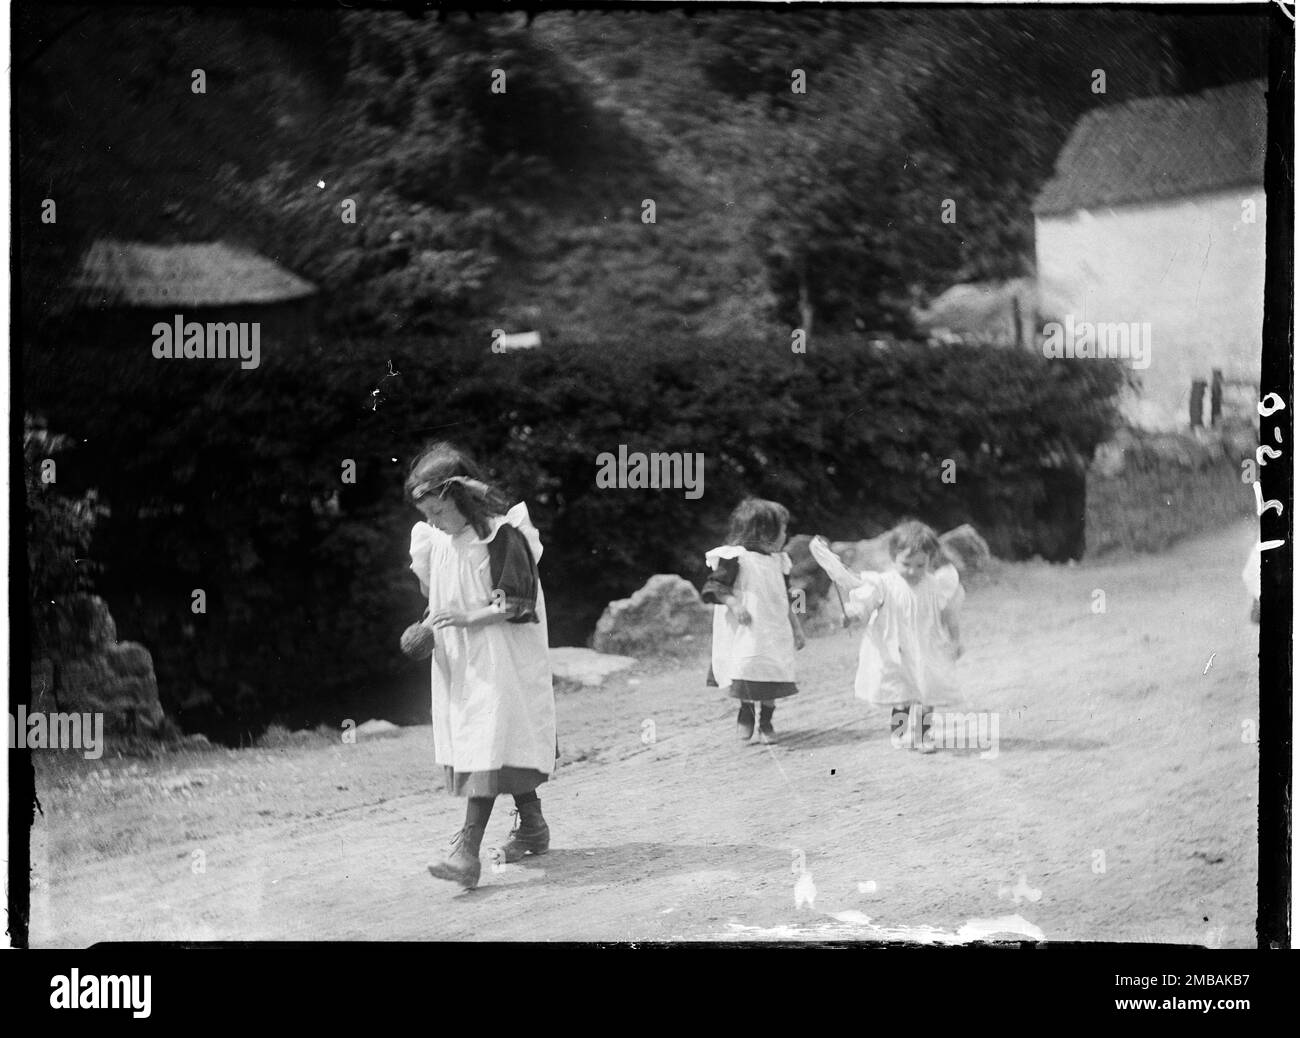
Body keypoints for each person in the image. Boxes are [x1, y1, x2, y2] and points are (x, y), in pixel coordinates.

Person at [405, 442, 556, 889]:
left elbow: (518, 601)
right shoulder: (439, 543)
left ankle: (465, 853)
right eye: (427, 513)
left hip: (500, 656)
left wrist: (469, 618)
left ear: (460, 498)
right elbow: (441, 598)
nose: (433, 521)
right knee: (491, 742)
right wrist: (430, 627)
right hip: (462, 659)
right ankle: (532, 825)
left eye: (438, 510)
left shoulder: (501, 535)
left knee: (489, 741)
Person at [811, 520, 964, 753]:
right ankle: (901, 732)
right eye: (906, 564)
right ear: (894, 557)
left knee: (926, 693)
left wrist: (955, 639)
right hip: (896, 650)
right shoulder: (883, 583)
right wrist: (853, 614)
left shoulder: (936, 585)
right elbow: (866, 604)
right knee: (901, 693)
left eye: (920, 565)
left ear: (930, 560)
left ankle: (924, 734)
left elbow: (949, 615)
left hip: (926, 647)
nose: (912, 571)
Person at [702, 498, 806, 744]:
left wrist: (797, 628)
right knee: (747, 668)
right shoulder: (737, 558)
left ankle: (767, 721)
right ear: (764, 532)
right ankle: (746, 712)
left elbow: (784, 597)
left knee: (772, 670)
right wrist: (735, 604)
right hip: (748, 629)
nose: (784, 535)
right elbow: (716, 586)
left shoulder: (778, 562)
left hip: (773, 629)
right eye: (781, 529)